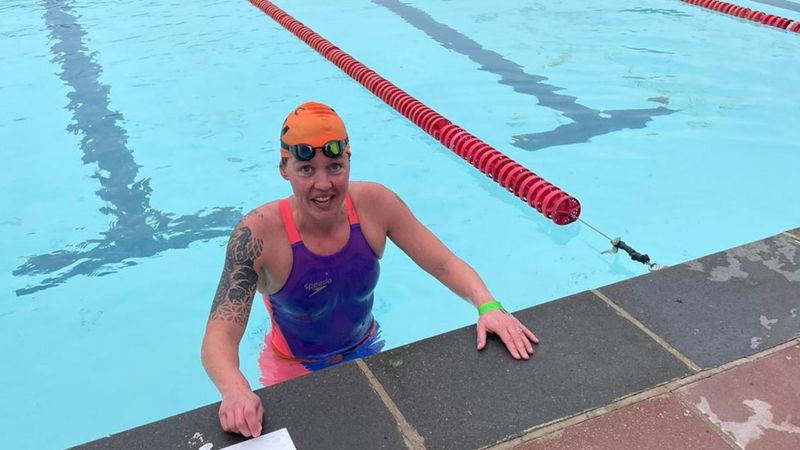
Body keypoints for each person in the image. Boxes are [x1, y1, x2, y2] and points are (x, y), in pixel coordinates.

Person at [201, 101, 539, 437]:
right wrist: (234, 389)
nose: (323, 184)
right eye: (306, 170)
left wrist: (488, 305)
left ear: (349, 161)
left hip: (366, 345)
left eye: (335, 166)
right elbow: (220, 333)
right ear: (284, 169)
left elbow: (443, 263)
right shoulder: (258, 235)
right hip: (293, 367)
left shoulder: (376, 205)